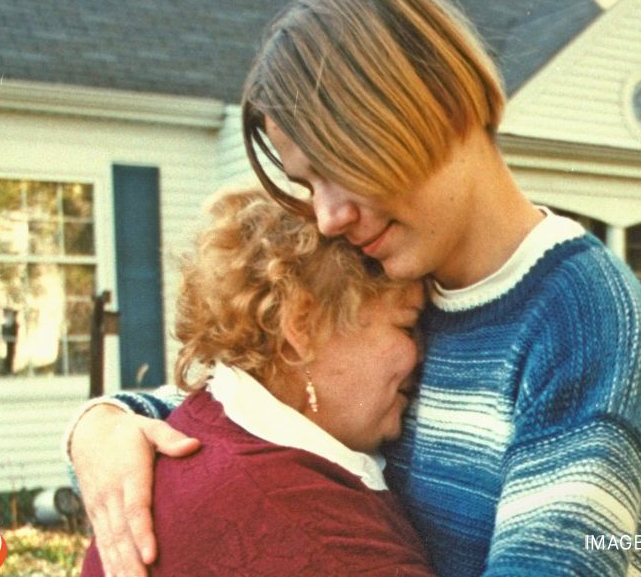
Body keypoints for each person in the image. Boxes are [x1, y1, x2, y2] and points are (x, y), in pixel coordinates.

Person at [67, 0, 641, 575]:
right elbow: (263, 400)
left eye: (338, 164)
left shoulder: (578, 313)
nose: (328, 217)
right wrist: (104, 425)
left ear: (435, 104)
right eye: (308, 184)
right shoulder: (404, 276)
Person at [81, 187, 434, 575]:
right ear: (303, 326)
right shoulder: (334, 543)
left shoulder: (193, 429)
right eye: (407, 325)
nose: (422, 354)